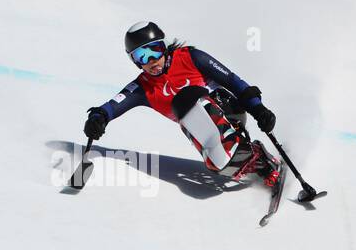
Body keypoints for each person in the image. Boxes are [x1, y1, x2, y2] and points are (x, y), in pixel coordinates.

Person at [83, 21, 282, 186]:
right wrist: (97, 118)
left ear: (165, 47)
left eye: (155, 50)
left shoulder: (190, 57)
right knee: (217, 163)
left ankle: (264, 162)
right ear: (135, 61)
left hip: (228, 110)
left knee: (186, 99)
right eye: (141, 56)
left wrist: (259, 109)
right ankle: (252, 162)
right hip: (201, 130)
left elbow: (233, 81)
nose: (151, 61)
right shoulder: (143, 87)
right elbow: (112, 106)